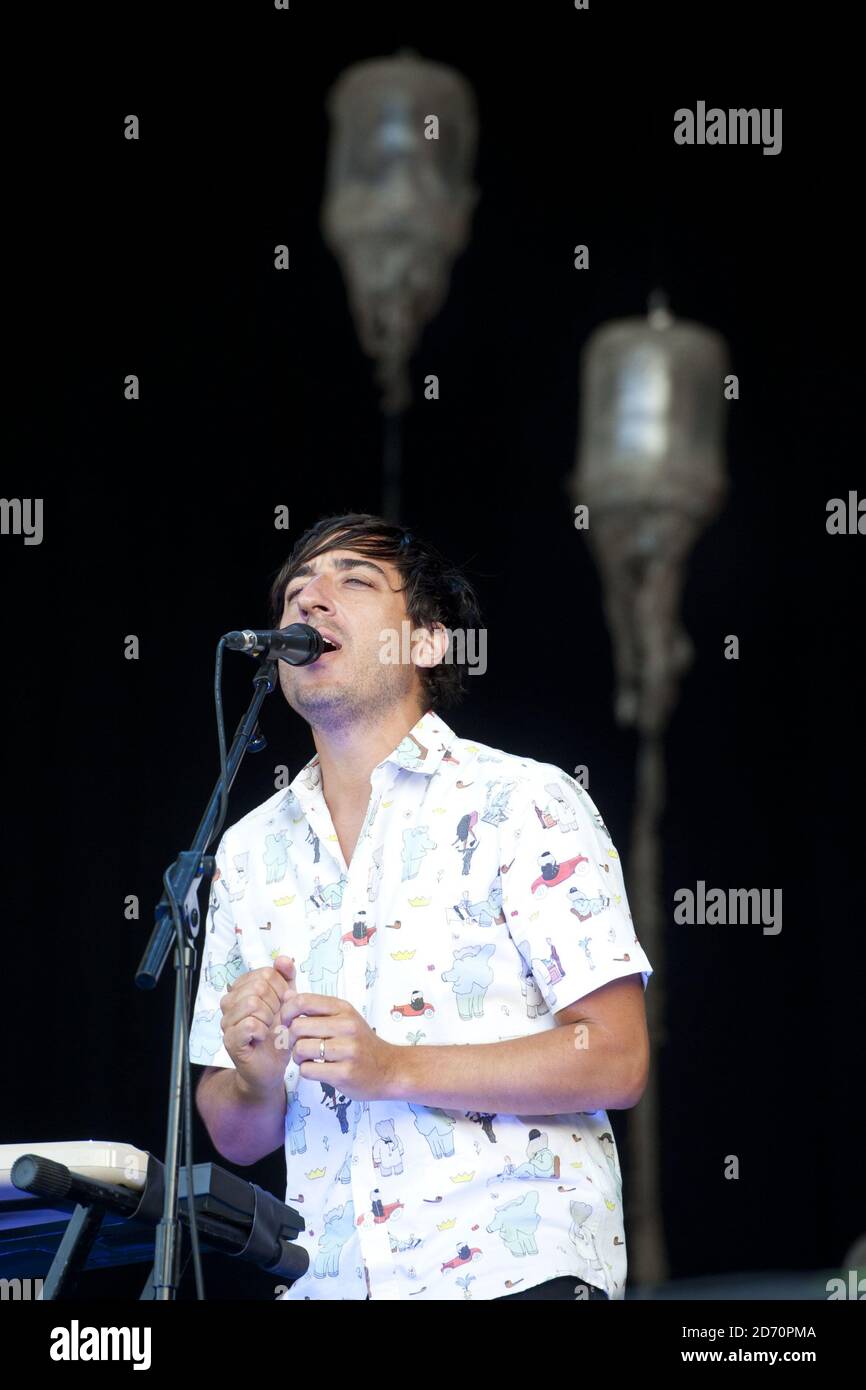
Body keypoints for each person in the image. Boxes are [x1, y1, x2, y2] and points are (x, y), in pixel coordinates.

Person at [190, 512, 653, 1301]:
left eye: (354, 582)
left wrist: (394, 1067)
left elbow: (616, 1059)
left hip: (518, 1271)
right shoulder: (244, 851)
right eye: (295, 591)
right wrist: (258, 1078)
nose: (311, 602)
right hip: (329, 1284)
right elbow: (235, 1135)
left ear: (429, 643)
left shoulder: (524, 800)